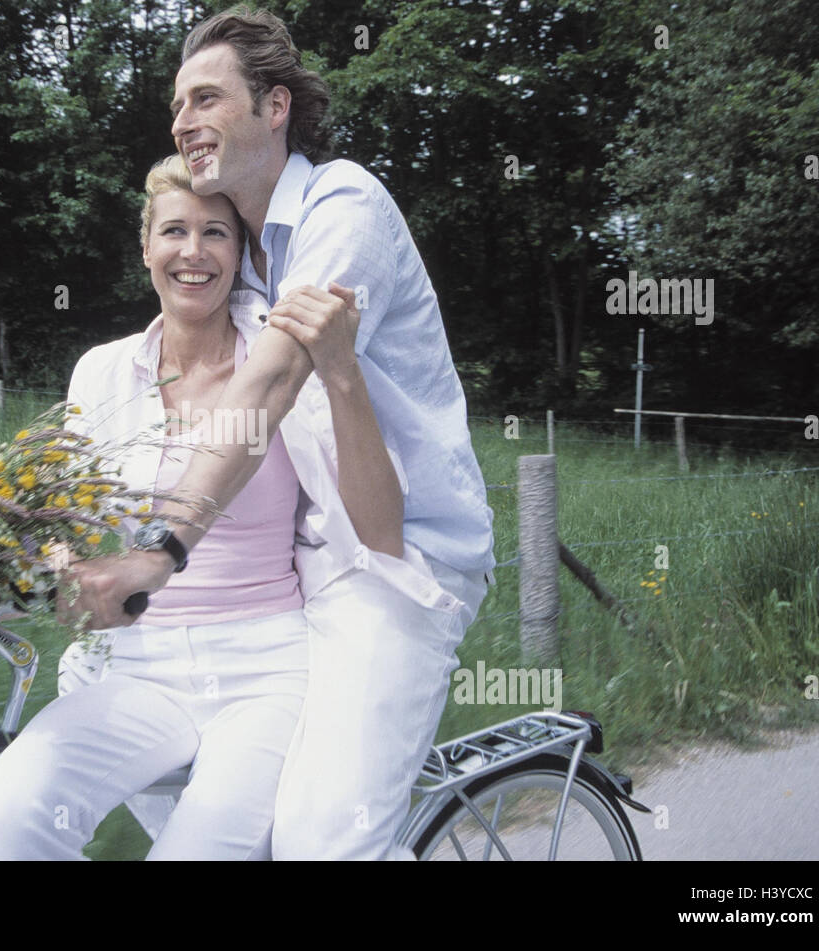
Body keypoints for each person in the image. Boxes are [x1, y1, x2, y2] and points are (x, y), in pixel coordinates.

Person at [60, 5, 496, 860]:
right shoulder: (245, 254)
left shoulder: (345, 209)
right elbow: (155, 413)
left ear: (275, 107)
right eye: (178, 106)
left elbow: (265, 387)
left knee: (321, 838)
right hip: (306, 569)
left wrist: (162, 546)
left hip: (397, 566)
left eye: (207, 98)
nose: (184, 122)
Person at [0, 153, 405, 859]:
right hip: (139, 665)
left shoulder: (282, 361)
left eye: (217, 233)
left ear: (243, 254)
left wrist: (342, 369)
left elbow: (376, 525)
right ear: (146, 246)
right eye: (175, 230)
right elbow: (66, 539)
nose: (194, 252)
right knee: (10, 814)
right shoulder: (102, 372)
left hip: (267, 672)